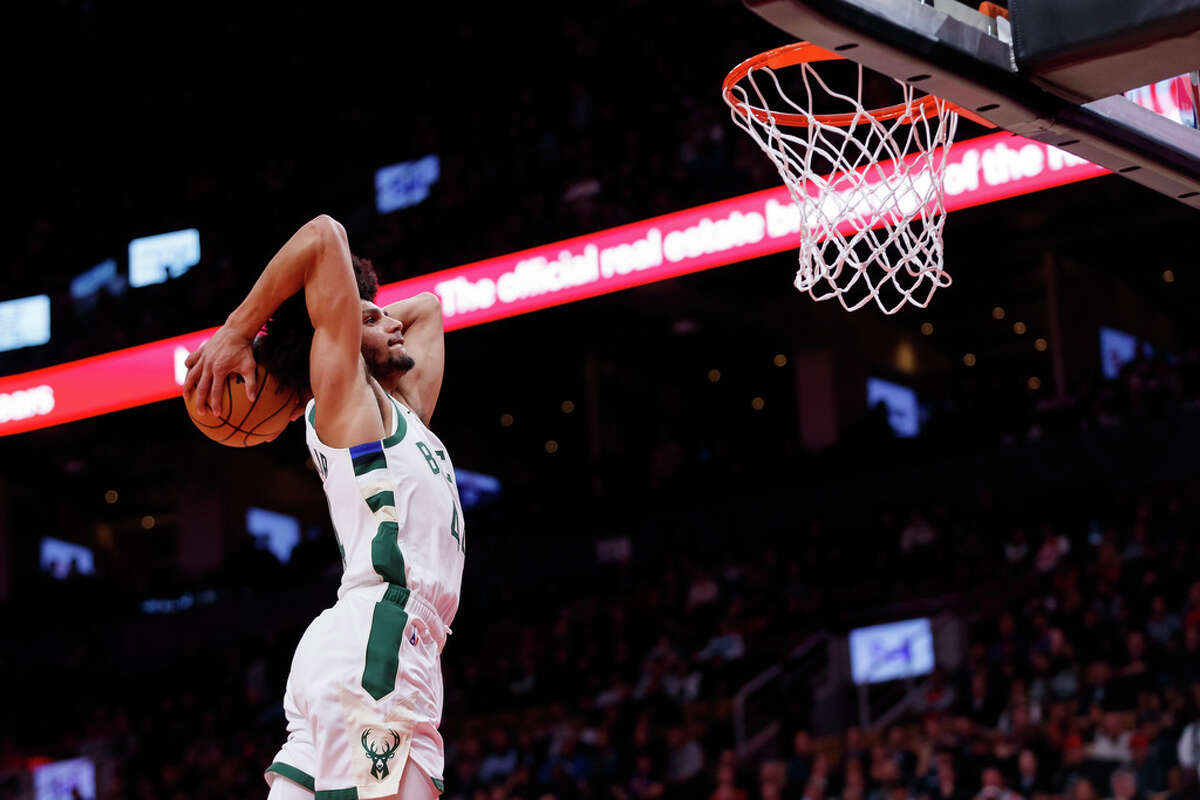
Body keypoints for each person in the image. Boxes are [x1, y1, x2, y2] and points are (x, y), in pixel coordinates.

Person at [183, 215, 464, 799]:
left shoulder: (399, 411)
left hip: (351, 645)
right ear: (330, 341)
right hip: (383, 638)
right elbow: (323, 235)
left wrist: (365, 315)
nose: (393, 323)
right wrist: (244, 332)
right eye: (369, 317)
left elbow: (429, 308)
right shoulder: (343, 401)